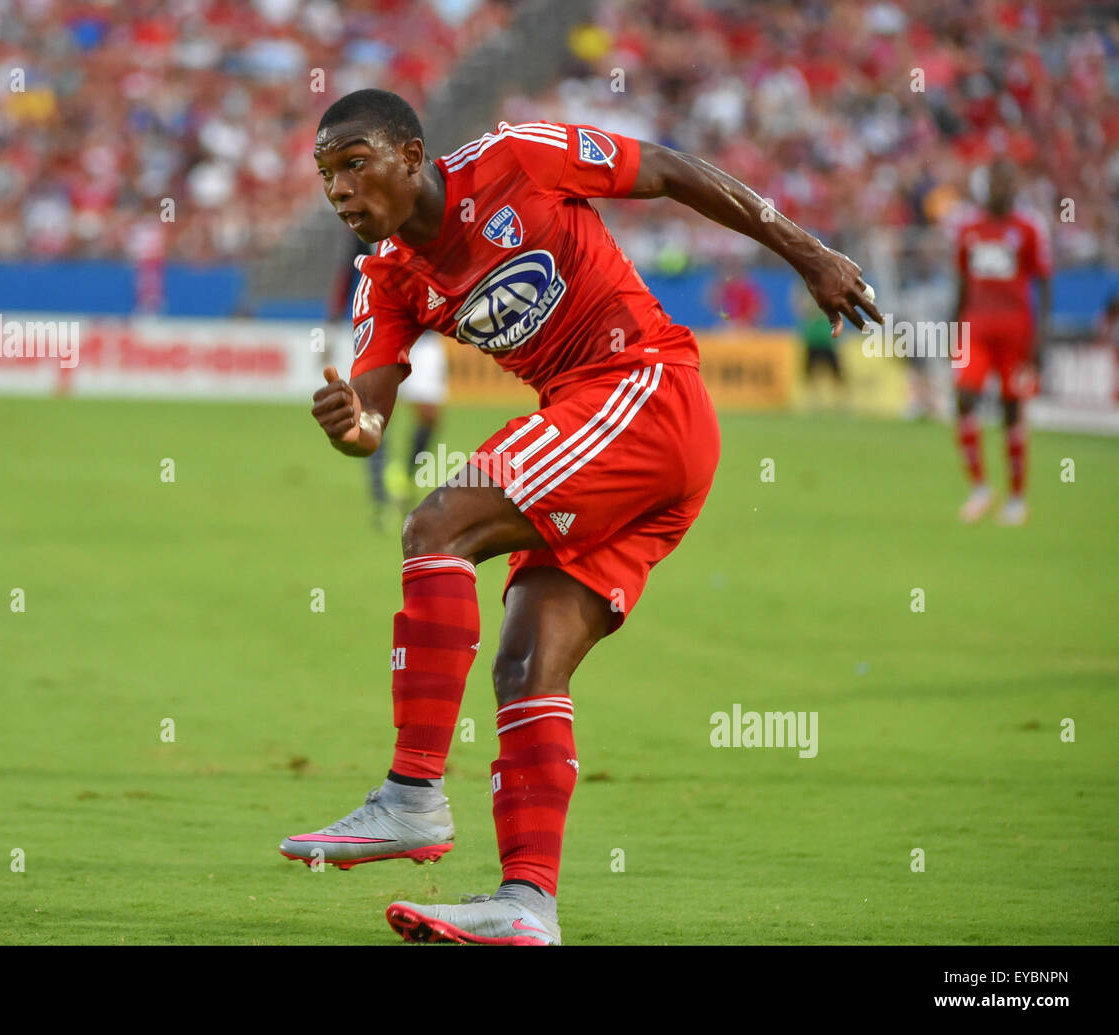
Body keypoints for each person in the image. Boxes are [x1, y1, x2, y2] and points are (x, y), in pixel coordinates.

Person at [284, 89, 879, 945]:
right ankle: (528, 903)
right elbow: (371, 417)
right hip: (613, 447)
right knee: (525, 660)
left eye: (354, 164)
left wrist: (808, 252)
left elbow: (669, 171)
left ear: (411, 156)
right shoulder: (386, 279)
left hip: (643, 389)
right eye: (325, 175)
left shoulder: (517, 156)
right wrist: (356, 427)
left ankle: (412, 794)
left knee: (436, 525)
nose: (338, 189)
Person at [952, 158, 1052, 525]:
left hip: (1016, 331)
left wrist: (1042, 337)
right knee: (964, 398)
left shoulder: (1027, 229)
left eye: (1007, 183)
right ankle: (979, 488)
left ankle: (1016, 497)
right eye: (995, 182)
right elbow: (961, 282)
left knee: (1012, 408)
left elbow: (1044, 282)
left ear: (1015, 188)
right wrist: (954, 328)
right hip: (975, 328)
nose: (1001, 189)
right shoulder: (969, 229)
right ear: (986, 186)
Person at [329, 235, 448, 526]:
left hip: (424, 336)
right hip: (383, 333)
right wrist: (332, 322)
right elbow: (348, 274)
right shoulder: (365, 224)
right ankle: (381, 499)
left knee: (430, 415)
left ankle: (405, 476)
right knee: (373, 414)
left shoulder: (417, 217)